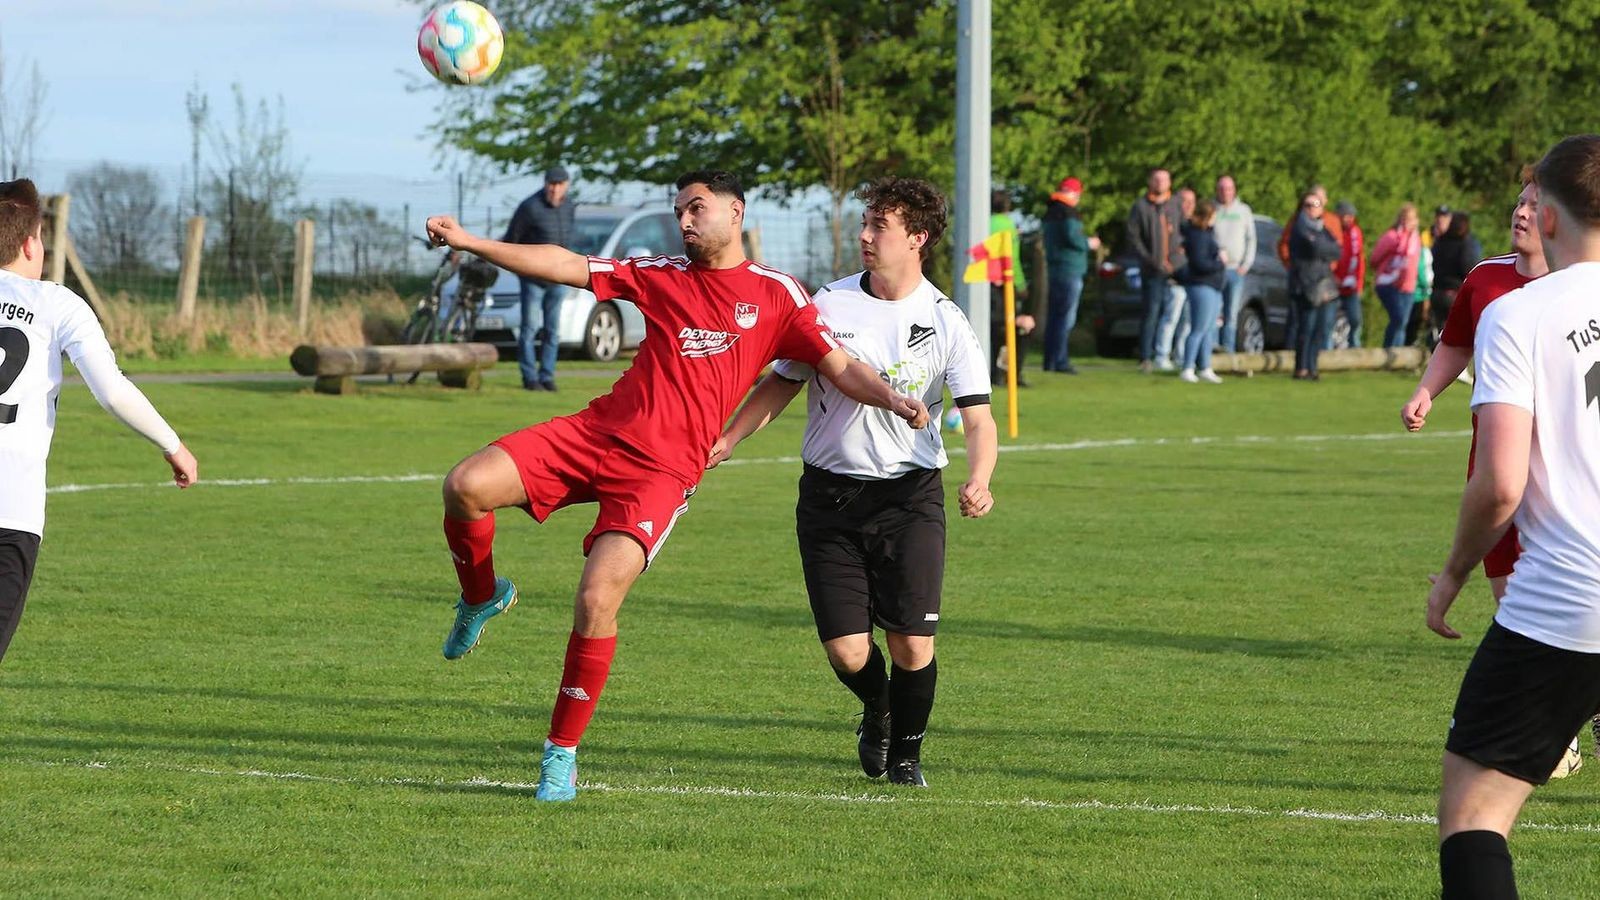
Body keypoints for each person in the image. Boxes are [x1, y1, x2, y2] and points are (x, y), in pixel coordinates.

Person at [423, 170, 930, 803]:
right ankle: (480, 596)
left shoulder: (778, 295)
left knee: (595, 600)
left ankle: (560, 755)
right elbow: (565, 264)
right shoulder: (662, 274)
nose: (685, 221)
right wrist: (473, 242)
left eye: (697, 208)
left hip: (661, 475)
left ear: (735, 211)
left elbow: (839, 368)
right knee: (464, 485)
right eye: (678, 211)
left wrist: (893, 398)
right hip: (596, 434)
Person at [707, 177, 997, 788]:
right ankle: (879, 708)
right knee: (848, 652)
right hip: (828, 499)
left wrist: (981, 478)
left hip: (909, 499)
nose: (863, 236)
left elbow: (977, 416)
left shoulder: (946, 319)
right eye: (864, 224)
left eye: (878, 227)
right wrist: (731, 438)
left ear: (916, 239)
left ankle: (908, 758)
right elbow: (782, 382)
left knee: (912, 646)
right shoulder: (828, 303)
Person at [1425, 133, 1600, 899]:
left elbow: (1499, 483)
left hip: (1571, 596)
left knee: (1475, 809)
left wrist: (1455, 572)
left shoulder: (1523, 313)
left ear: (1551, 217)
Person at [1402, 176, 1590, 782]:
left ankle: (1566, 714)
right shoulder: (1486, 281)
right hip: (1497, 462)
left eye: (1537, 204)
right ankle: (1558, 729)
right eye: (1519, 202)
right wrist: (1426, 391)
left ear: (1559, 217)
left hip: (1566, 471)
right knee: (1513, 588)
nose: (1523, 212)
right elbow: (1455, 343)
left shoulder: (1578, 294)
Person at [0, 178, 199, 664]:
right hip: (10, 511)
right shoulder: (57, 303)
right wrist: (173, 445)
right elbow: (110, 390)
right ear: (32, 242)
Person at [503, 166, 576, 391]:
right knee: (529, 328)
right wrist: (523, 269)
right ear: (545, 184)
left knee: (553, 330)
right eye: (551, 185)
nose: (554, 190)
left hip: (558, 278)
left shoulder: (569, 207)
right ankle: (529, 377)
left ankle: (547, 375)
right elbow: (511, 240)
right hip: (532, 278)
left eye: (559, 185)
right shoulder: (529, 207)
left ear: (566, 185)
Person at [1126, 168, 1184, 373]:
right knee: (1151, 311)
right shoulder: (1141, 206)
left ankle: (1178, 355)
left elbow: (1183, 232)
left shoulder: (1176, 204)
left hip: (1177, 267)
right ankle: (1145, 357)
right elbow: (1134, 238)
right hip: (1152, 268)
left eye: (1164, 180)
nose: (1160, 183)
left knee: (1180, 311)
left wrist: (1177, 258)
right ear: (1150, 182)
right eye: (1156, 180)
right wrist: (1152, 260)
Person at [1040, 177, 1099, 373]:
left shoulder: (1050, 210)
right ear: (1075, 193)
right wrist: (1089, 243)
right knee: (1066, 318)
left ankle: (1050, 360)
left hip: (1055, 268)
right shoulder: (1068, 212)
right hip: (1070, 268)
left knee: (1055, 317)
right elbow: (1073, 238)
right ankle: (1061, 361)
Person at [1278, 183, 1343, 351]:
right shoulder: (1298, 222)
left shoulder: (1331, 221)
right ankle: (1293, 358)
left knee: (1322, 324)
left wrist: (1329, 262)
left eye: (1318, 202)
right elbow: (1285, 245)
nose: (1314, 206)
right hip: (1302, 278)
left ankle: (1316, 360)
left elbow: (1336, 248)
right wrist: (1289, 263)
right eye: (1311, 202)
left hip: (1324, 279)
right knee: (1299, 322)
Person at [988, 190, 1034, 385]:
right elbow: (1012, 259)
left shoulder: (981, 222)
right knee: (1011, 328)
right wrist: (1021, 285)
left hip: (983, 283)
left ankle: (992, 372)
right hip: (1003, 285)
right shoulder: (1007, 226)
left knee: (990, 329)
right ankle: (1010, 374)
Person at [1177, 199, 1226, 383]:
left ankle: (1205, 366)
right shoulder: (1197, 236)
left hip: (1212, 285)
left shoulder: (1207, 234)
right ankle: (1188, 366)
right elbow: (1199, 263)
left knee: (1209, 329)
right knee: (1198, 327)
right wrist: (1219, 262)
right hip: (1201, 284)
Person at [1212, 175, 1256, 352]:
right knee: (1214, 312)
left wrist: (1245, 265)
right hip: (1214, 269)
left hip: (1235, 269)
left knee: (1231, 314)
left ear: (1234, 190)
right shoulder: (1212, 209)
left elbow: (1251, 239)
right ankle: (1212, 348)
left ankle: (1228, 350)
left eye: (1228, 188)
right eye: (1222, 189)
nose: (1225, 192)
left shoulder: (1243, 211)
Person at [1155, 187, 1198, 368]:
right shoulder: (1171, 223)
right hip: (1175, 277)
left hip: (1193, 279)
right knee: (1171, 317)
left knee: (1188, 320)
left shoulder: (1196, 225)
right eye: (1183, 201)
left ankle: (1181, 355)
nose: (1187, 205)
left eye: (1191, 201)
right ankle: (1162, 355)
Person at [1369, 203, 1422, 348]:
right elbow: (1374, 258)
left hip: (1409, 286)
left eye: (1412, 219)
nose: (1409, 222)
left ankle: (1397, 354)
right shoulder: (1392, 237)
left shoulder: (1416, 239)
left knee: (1403, 322)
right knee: (1398, 318)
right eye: (1406, 219)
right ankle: (1388, 350)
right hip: (1389, 283)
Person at [1429, 212, 1484, 341]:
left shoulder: (1440, 242)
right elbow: (1468, 267)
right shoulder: (1465, 244)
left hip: (1437, 293)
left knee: (1439, 331)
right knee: (1454, 338)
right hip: (1454, 294)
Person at [1327, 200, 1365, 349]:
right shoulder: (1332, 231)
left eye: (1351, 216)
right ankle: (1327, 349)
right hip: (1333, 284)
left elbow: (1359, 259)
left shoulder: (1355, 233)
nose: (1349, 219)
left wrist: (1359, 282)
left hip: (1351, 285)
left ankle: (1354, 347)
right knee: (1328, 320)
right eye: (1346, 216)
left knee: (1355, 319)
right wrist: (1332, 276)